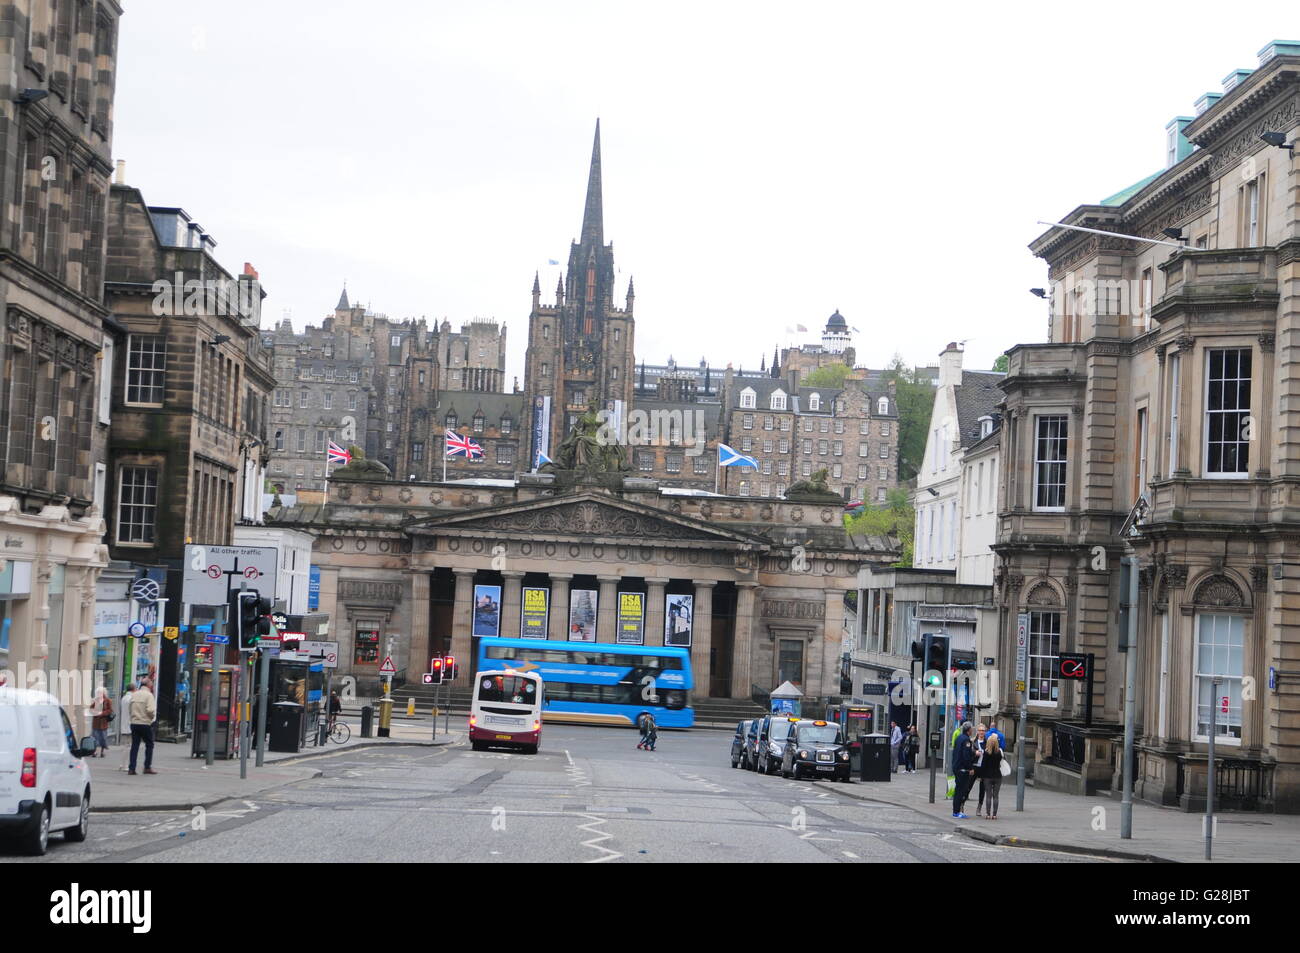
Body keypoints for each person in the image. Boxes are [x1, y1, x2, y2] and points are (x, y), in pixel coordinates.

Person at [128, 678, 158, 776]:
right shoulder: (149, 695)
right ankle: (147, 767)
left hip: (134, 723)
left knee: (135, 746)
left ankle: (131, 768)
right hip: (145, 723)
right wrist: (151, 719)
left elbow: (130, 709)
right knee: (149, 744)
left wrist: (133, 718)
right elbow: (150, 710)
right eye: (151, 684)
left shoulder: (134, 694)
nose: (152, 686)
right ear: (148, 685)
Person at [951, 721, 975, 818]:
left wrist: (974, 753)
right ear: (968, 730)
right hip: (962, 769)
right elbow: (966, 756)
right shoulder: (966, 740)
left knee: (958, 789)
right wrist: (970, 768)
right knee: (961, 790)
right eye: (971, 729)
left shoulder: (959, 738)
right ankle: (956, 812)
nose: (972, 731)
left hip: (956, 766)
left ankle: (956, 811)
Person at [980, 732, 1004, 819]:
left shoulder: (986, 753)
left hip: (987, 776)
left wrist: (981, 776)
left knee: (988, 795)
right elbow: (1001, 762)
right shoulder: (999, 753)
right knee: (996, 796)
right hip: (997, 775)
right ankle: (994, 815)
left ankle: (987, 814)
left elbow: (983, 765)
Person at [90, 686, 113, 757]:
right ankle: (94, 751)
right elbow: (91, 709)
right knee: (95, 737)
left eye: (100, 693)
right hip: (96, 723)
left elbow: (110, 710)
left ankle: (102, 752)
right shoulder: (95, 700)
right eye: (98, 693)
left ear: (104, 693)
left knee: (103, 738)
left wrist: (102, 713)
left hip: (103, 722)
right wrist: (95, 712)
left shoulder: (108, 700)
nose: (99, 694)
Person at [972, 723, 988, 815]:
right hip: (974, 766)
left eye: (983, 731)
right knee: (968, 786)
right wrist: (975, 752)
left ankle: (979, 807)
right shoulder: (973, 742)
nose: (982, 732)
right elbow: (969, 753)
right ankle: (962, 804)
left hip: (983, 768)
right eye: (980, 730)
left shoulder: (987, 743)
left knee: (982, 789)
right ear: (977, 732)